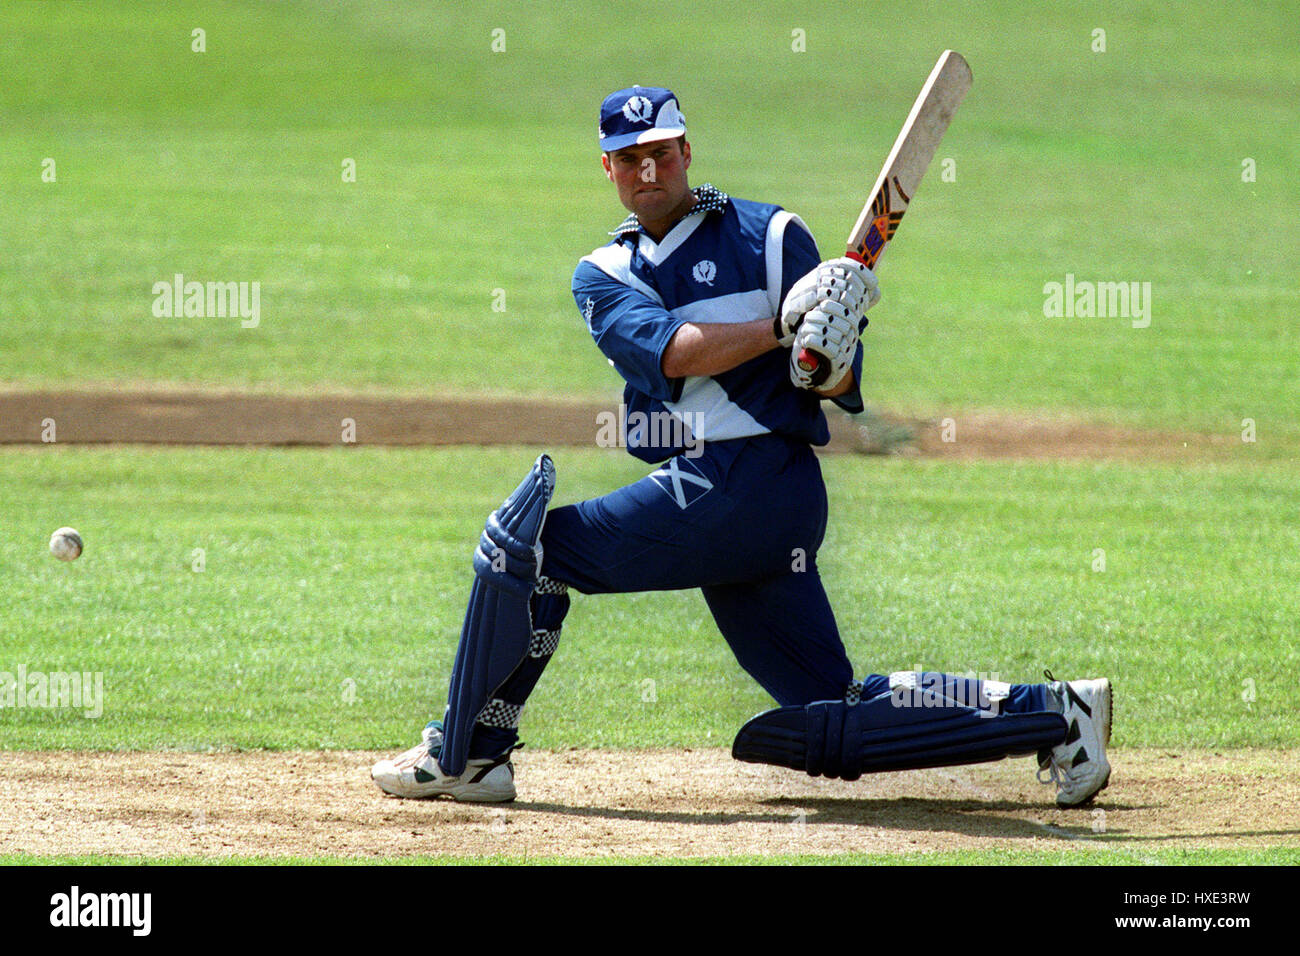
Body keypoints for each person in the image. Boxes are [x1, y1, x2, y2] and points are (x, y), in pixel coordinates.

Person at [372, 86, 1111, 807]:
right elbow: (673, 351)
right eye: (630, 159)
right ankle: (1057, 713)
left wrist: (827, 352)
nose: (649, 171)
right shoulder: (604, 275)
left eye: (661, 152)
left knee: (529, 555)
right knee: (835, 706)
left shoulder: (774, 237)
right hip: (729, 504)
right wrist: (781, 330)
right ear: (608, 169)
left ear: (687, 150)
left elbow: (834, 382)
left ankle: (468, 752)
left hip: (756, 481)